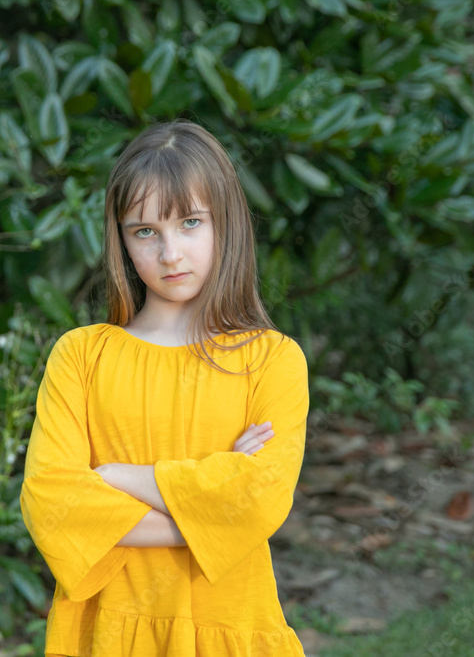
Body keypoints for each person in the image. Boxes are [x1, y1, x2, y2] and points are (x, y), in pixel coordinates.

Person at [19, 119, 310, 656]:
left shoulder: (273, 360)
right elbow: (49, 501)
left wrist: (115, 477)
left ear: (227, 223)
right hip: (108, 633)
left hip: (230, 629)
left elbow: (261, 498)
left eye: (191, 223)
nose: (170, 253)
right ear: (123, 240)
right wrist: (211, 519)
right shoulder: (82, 355)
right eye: (145, 231)